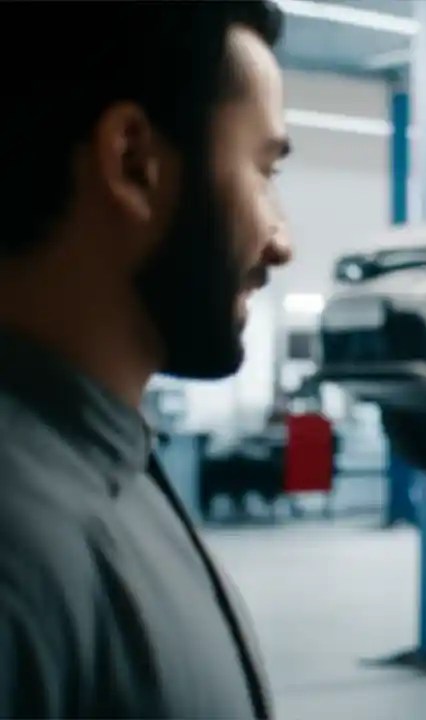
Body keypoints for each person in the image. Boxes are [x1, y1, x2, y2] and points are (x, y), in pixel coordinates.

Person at [0, 2, 292, 717]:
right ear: (134, 162)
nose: (282, 240)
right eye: (261, 170)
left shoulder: (105, 463)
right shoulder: (19, 544)